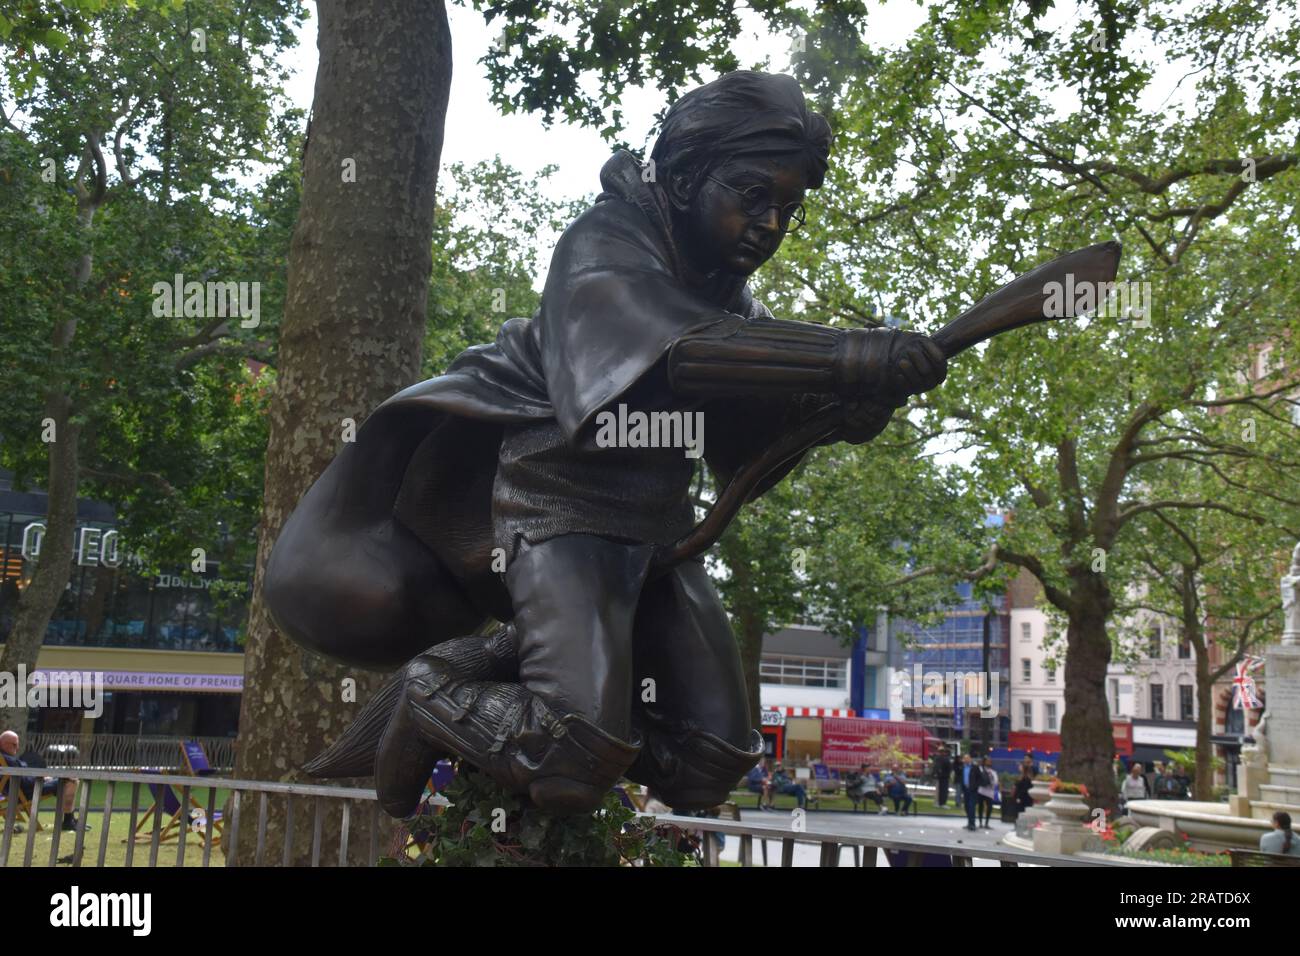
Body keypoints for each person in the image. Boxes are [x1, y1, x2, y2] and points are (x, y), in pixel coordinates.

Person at [271, 69, 948, 817]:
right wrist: (843, 355)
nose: (770, 224)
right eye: (752, 195)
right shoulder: (603, 243)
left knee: (709, 758)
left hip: (652, 533)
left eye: (788, 207)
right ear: (689, 177)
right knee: (569, 753)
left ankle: (516, 684)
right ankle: (440, 697)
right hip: (557, 507)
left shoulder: (730, 297)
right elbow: (670, 353)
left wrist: (840, 409)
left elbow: (740, 452)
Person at [0, 730, 84, 831]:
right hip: (29, 791)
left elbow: (22, 779)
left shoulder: (5, 758)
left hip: (17, 791)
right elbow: (25, 782)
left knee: (65, 780)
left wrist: (43, 778)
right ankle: (68, 821)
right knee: (71, 780)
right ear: (3, 744)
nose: (17, 748)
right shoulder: (9, 760)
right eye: (14, 745)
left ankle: (69, 820)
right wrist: (41, 779)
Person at [975, 756, 997, 828]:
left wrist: (992, 783)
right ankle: (980, 822)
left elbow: (995, 781)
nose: (989, 762)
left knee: (989, 807)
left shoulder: (993, 772)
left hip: (990, 791)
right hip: (982, 790)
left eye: (990, 761)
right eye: (987, 761)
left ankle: (986, 823)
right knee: (980, 806)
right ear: (984, 762)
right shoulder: (980, 770)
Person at [960, 755, 978, 831]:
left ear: (970, 759)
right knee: (966, 806)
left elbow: (979, 778)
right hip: (965, 789)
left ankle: (972, 824)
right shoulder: (963, 767)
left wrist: (975, 786)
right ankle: (969, 822)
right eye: (964, 759)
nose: (966, 760)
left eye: (967, 758)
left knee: (971, 806)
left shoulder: (974, 767)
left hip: (972, 790)